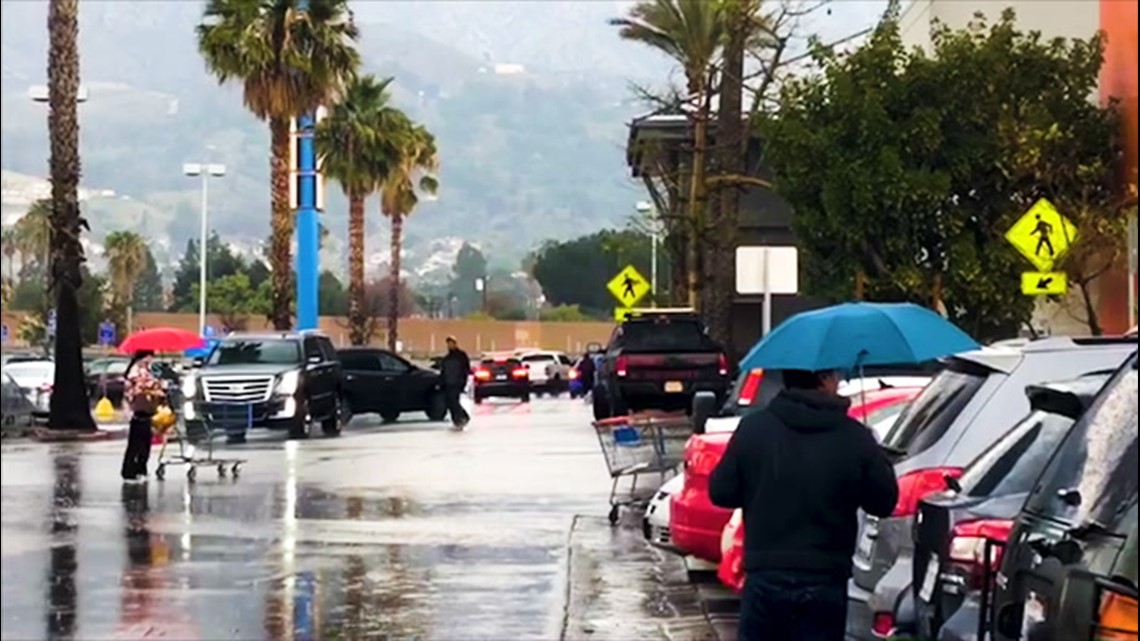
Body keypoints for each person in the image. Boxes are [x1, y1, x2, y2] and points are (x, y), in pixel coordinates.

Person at [708, 368, 899, 641]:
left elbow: (721, 493)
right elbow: (883, 502)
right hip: (826, 576)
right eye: (835, 376)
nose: (838, 382)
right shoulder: (853, 436)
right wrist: (878, 461)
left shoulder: (754, 429)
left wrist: (760, 489)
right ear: (823, 379)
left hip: (766, 573)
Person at [120, 350, 163, 482]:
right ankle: (133, 469)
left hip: (143, 411)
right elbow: (140, 389)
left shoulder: (144, 371)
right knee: (139, 443)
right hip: (141, 411)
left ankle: (138, 468)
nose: (150, 360)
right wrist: (156, 388)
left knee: (141, 443)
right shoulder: (137, 372)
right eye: (148, 357)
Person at [439, 336, 471, 429]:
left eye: (451, 343)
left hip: (457, 382)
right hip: (448, 383)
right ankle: (457, 419)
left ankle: (462, 417)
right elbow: (443, 371)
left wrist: (463, 381)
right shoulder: (446, 358)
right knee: (450, 402)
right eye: (448, 344)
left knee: (454, 401)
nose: (450, 345)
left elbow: (466, 369)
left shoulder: (461, 356)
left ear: (455, 344)